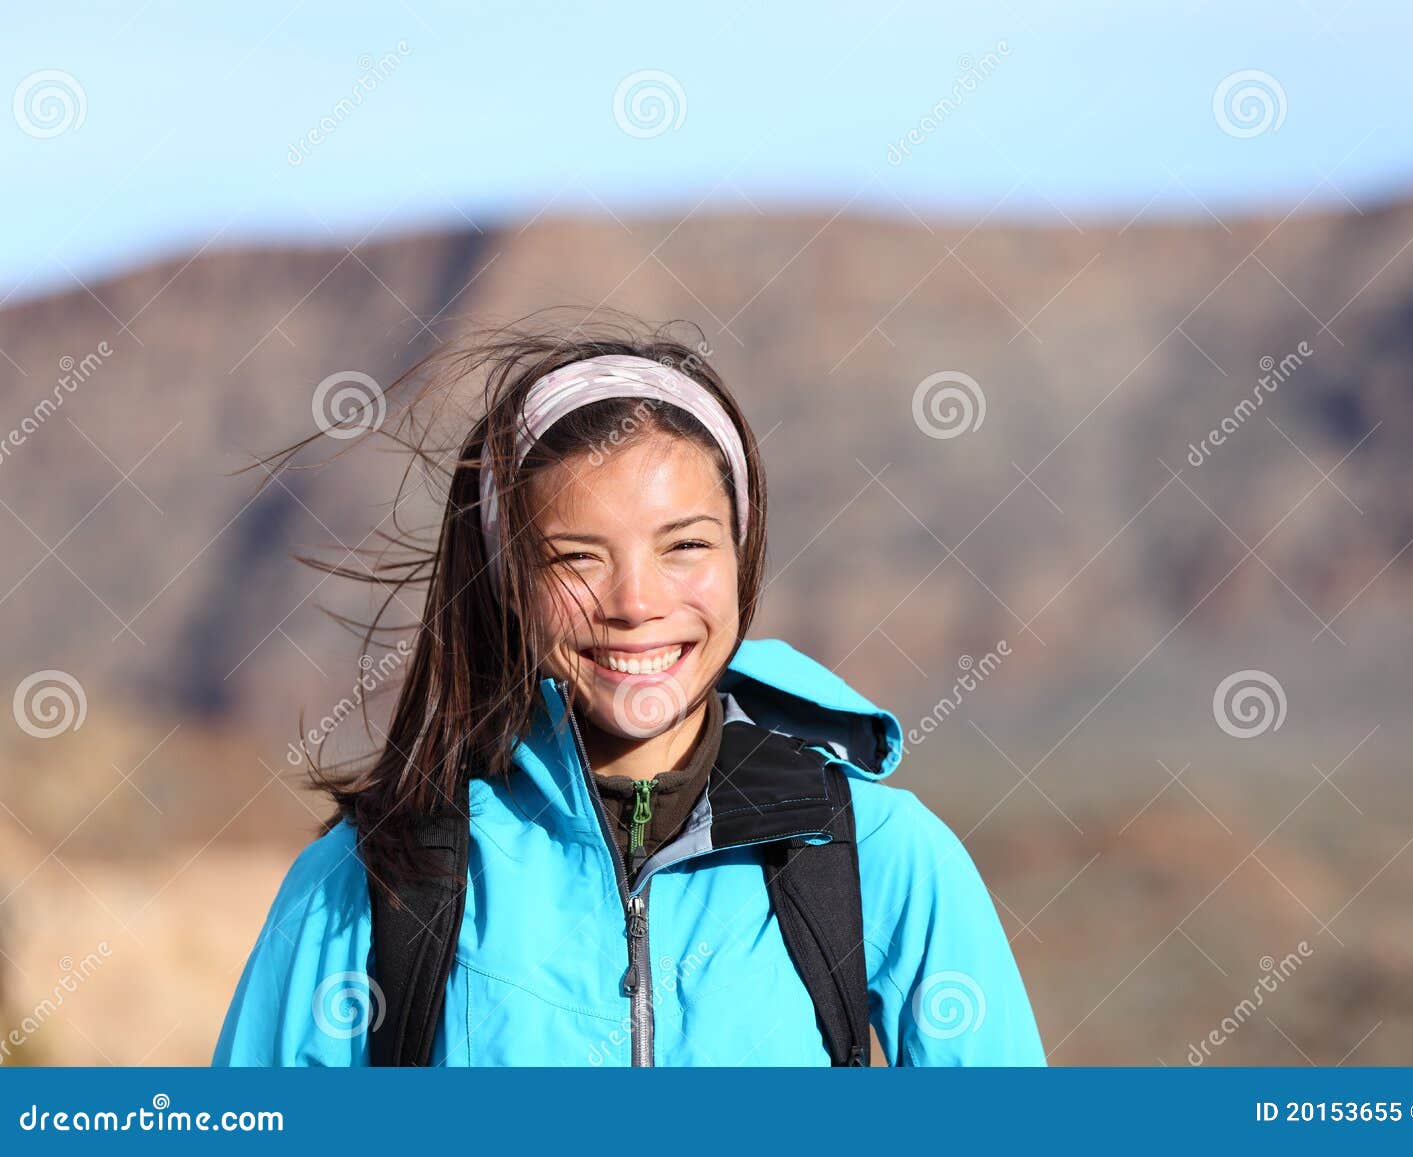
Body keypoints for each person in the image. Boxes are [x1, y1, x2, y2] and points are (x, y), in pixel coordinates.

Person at [212, 314, 1045, 1066]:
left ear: (740, 558)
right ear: (509, 582)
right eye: (575, 555)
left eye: (684, 545)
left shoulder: (878, 855)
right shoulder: (377, 874)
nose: (637, 602)